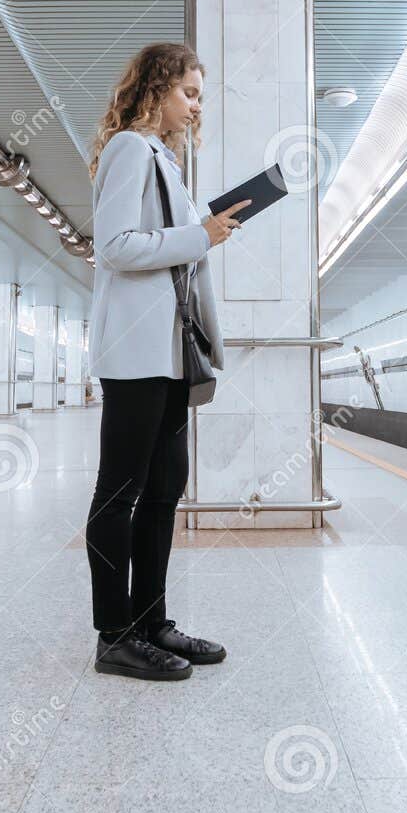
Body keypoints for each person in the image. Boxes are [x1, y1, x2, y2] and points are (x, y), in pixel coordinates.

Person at [83, 42, 249, 681]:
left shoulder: (169, 162)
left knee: (162, 491)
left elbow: (170, 246)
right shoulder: (130, 148)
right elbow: (116, 246)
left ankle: (152, 621)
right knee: (120, 491)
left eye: (200, 95)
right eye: (189, 92)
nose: (195, 105)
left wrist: (206, 227)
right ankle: (113, 634)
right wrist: (197, 236)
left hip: (171, 350)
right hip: (136, 350)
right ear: (156, 90)